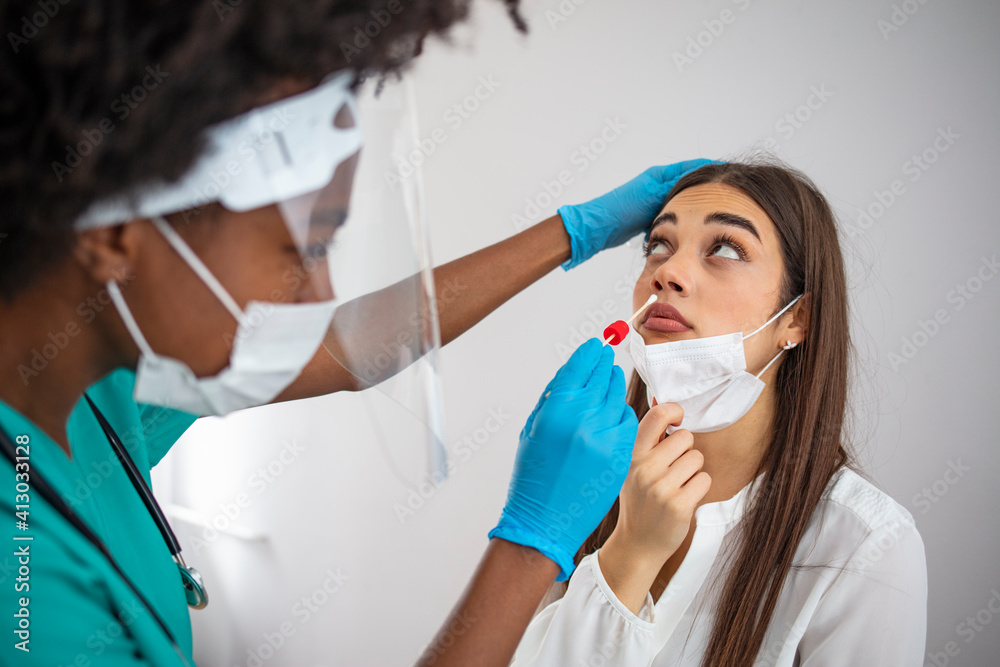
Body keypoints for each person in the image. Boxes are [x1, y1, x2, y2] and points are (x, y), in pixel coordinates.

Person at [0, 2, 712, 665]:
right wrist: (533, 545)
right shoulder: (28, 602)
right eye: (301, 250)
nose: (320, 296)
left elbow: (351, 345)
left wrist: (573, 232)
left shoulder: (96, 375)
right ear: (119, 233)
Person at [511, 159, 928, 666]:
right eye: (657, 246)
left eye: (726, 249)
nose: (667, 273)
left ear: (797, 318)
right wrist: (626, 556)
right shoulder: (582, 491)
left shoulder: (864, 545)